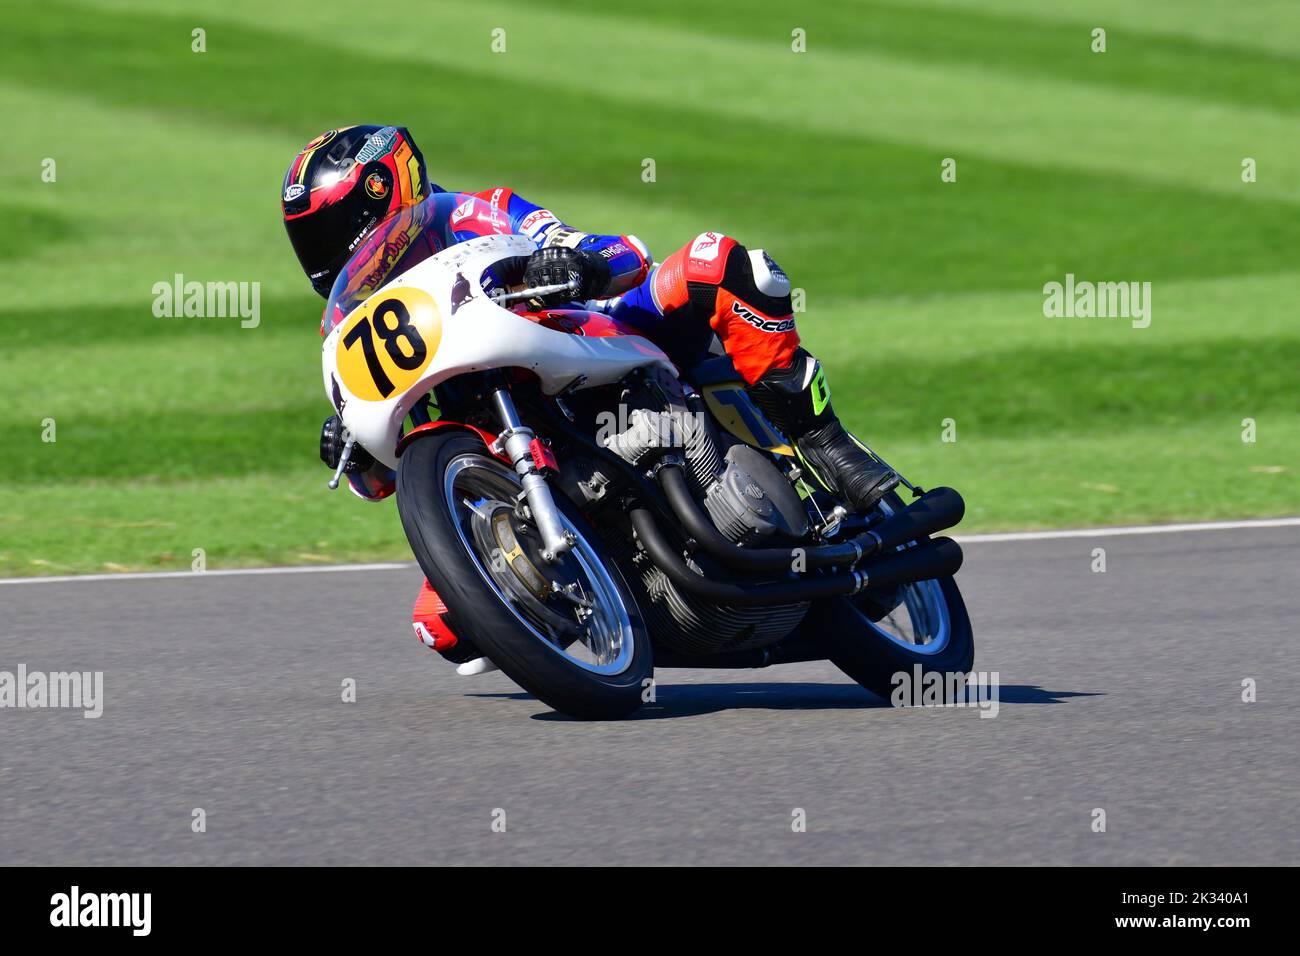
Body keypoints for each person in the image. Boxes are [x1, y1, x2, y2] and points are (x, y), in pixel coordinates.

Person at [282, 124, 898, 670]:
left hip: (589, 339)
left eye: (324, 228)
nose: (320, 251)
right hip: (508, 451)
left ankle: (828, 444)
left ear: (381, 189)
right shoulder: (350, 322)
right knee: (440, 625)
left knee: (719, 263)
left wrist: (578, 263)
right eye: (305, 237)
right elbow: (389, 478)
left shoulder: (475, 211)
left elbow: (620, 250)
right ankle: (600, 605)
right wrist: (356, 449)